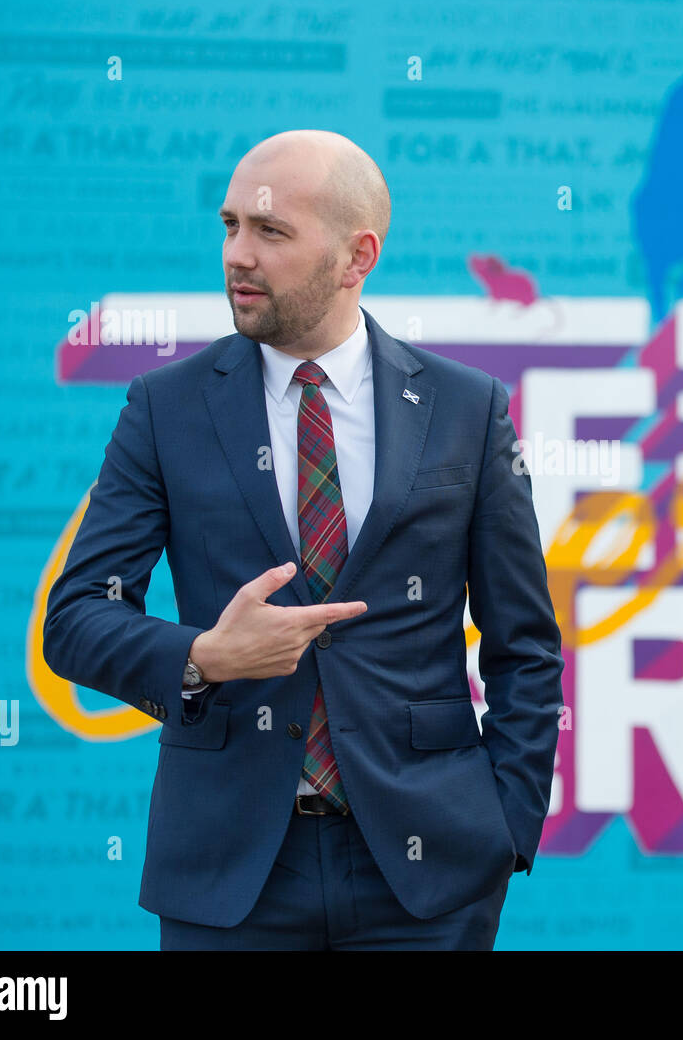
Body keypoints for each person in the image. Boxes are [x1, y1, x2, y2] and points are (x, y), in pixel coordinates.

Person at [44, 129, 563, 950]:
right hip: (230, 873)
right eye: (229, 227)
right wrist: (207, 656)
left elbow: (525, 645)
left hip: (427, 875)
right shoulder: (166, 408)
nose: (237, 256)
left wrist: (505, 827)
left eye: (270, 232)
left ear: (357, 256)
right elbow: (75, 620)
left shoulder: (468, 410)